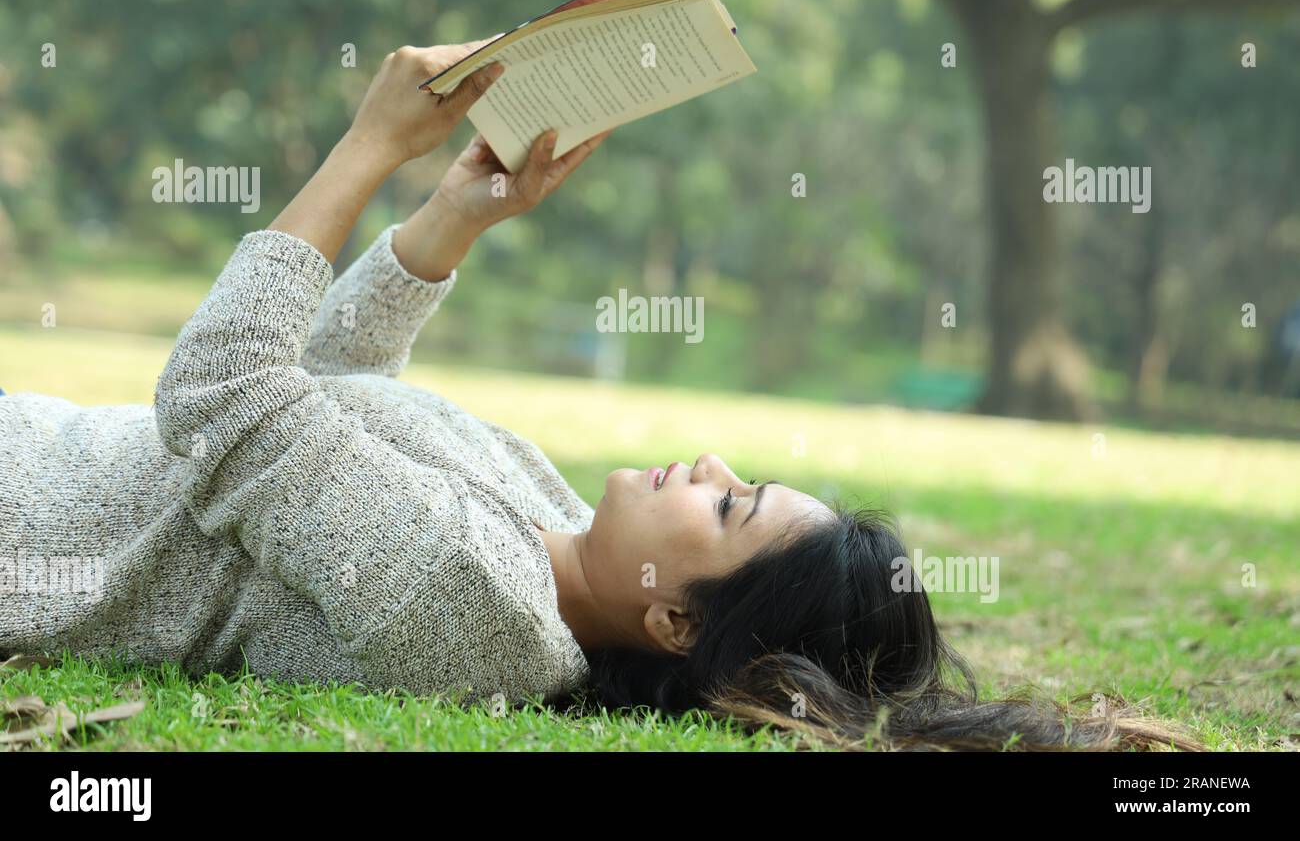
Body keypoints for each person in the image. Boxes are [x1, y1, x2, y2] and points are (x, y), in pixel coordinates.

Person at [0, 43, 1198, 751]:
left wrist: (369, 147)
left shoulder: (482, 610)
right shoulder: (552, 526)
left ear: (676, 623)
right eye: (746, 482)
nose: (713, 465)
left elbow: (226, 396)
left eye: (731, 511)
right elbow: (330, 404)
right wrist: (456, 215)